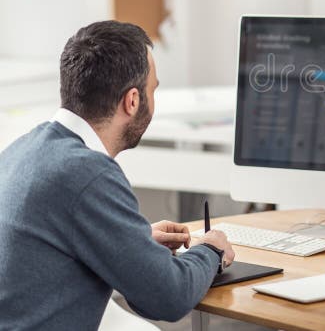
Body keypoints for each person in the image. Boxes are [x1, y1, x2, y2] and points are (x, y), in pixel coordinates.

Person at [0, 21, 235, 330]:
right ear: (133, 100)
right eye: (154, 90)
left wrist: (134, 242)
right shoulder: (87, 174)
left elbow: (47, 250)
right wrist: (211, 249)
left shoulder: (22, 150)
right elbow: (168, 297)